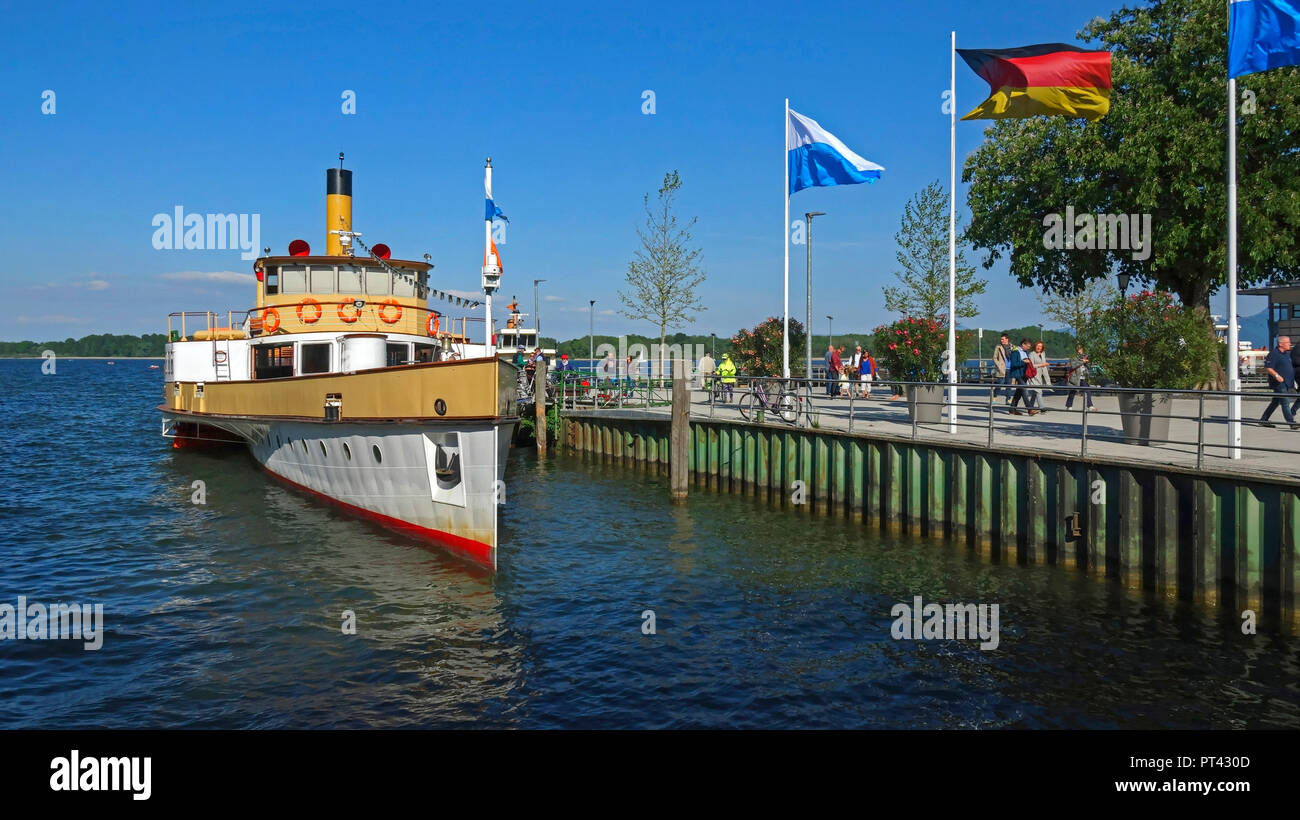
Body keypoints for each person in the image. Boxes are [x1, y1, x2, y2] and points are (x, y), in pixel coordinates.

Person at [1260, 336, 1299, 428]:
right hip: (1278, 383)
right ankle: (1291, 423)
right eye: (1288, 342)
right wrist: (1277, 376)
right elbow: (1269, 368)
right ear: (1281, 344)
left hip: (1287, 383)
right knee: (1285, 402)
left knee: (1275, 402)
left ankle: (1263, 420)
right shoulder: (1273, 354)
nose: (1290, 344)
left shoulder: (1286, 354)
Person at [1007, 338, 1036, 415]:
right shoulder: (1015, 352)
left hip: (1024, 374)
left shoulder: (1025, 352)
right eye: (1028, 346)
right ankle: (1029, 408)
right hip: (1017, 374)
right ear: (1023, 344)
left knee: (1019, 392)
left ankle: (1012, 409)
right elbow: (1013, 364)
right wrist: (1023, 362)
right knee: (1024, 389)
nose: (1028, 348)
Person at [1064, 346, 1098, 412]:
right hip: (1075, 378)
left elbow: (1088, 367)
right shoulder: (1073, 358)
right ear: (1076, 350)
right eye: (1078, 350)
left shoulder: (1085, 357)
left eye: (1081, 350)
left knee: (1087, 391)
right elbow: (1073, 366)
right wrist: (1082, 362)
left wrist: (1087, 362)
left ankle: (1090, 406)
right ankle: (1069, 406)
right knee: (1073, 392)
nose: (1080, 351)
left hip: (1083, 377)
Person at [1028, 340, 1050, 413]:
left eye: (1040, 346)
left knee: (1035, 392)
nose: (1039, 347)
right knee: (1039, 392)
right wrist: (1042, 365)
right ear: (1035, 346)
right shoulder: (1032, 354)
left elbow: (1044, 365)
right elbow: (1031, 366)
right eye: (1038, 346)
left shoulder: (1043, 354)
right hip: (1033, 375)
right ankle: (1042, 408)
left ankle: (1030, 407)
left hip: (1040, 376)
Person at [993, 334, 1012, 402]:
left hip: (1010, 369)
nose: (1001, 340)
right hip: (1002, 369)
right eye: (1001, 339)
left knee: (1009, 386)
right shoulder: (998, 347)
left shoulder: (1012, 347)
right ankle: (994, 396)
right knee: (999, 384)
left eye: (1003, 339)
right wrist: (999, 365)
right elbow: (994, 358)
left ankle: (1008, 399)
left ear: (1007, 339)